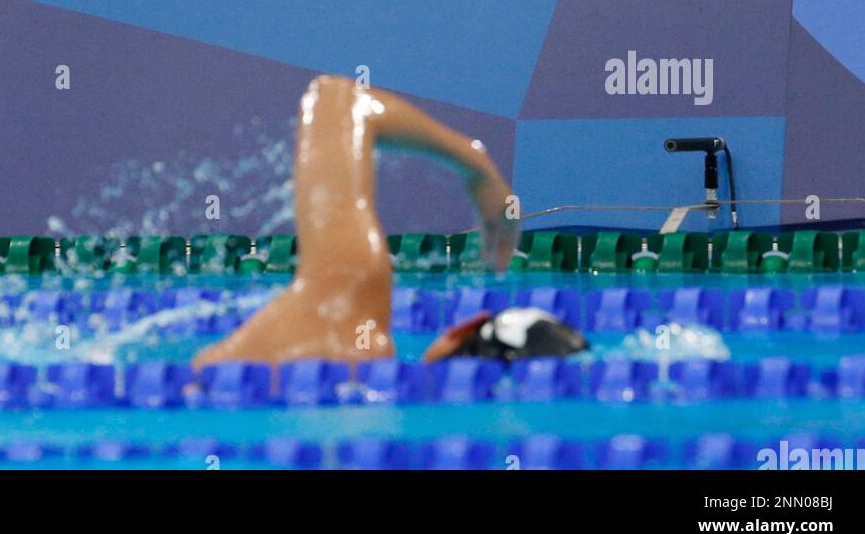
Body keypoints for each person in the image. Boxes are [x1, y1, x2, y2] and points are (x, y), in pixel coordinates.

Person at [192, 75, 586, 367]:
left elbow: (337, 99)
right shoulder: (361, 367)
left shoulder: (343, 322)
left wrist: (478, 167)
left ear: (465, 328)